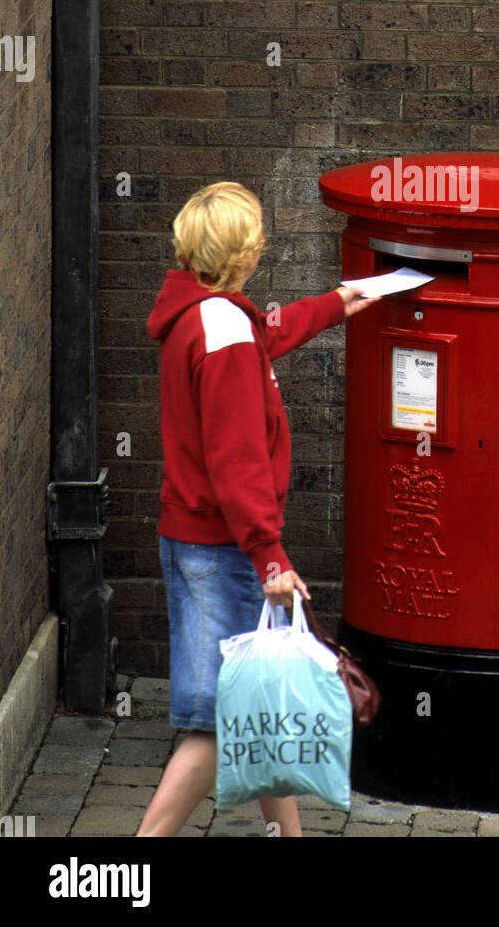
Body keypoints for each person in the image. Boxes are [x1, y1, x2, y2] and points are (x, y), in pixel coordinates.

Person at [135, 181, 374, 837]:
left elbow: (263, 332)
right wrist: (268, 554)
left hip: (193, 538)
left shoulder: (200, 314)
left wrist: (335, 304)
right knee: (217, 720)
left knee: (258, 703)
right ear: (242, 253)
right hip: (224, 549)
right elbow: (237, 459)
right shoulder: (224, 332)